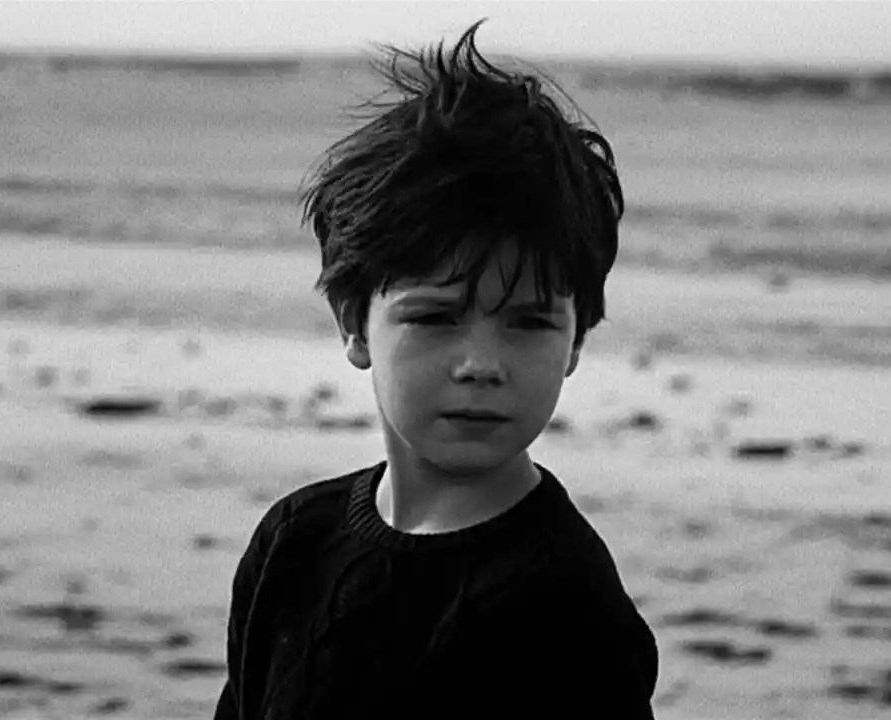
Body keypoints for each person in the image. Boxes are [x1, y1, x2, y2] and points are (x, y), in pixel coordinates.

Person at [215, 18, 658, 720]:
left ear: (576, 341)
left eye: (528, 322)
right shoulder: (295, 542)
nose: (482, 364)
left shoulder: (565, 605)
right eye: (435, 318)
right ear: (355, 324)